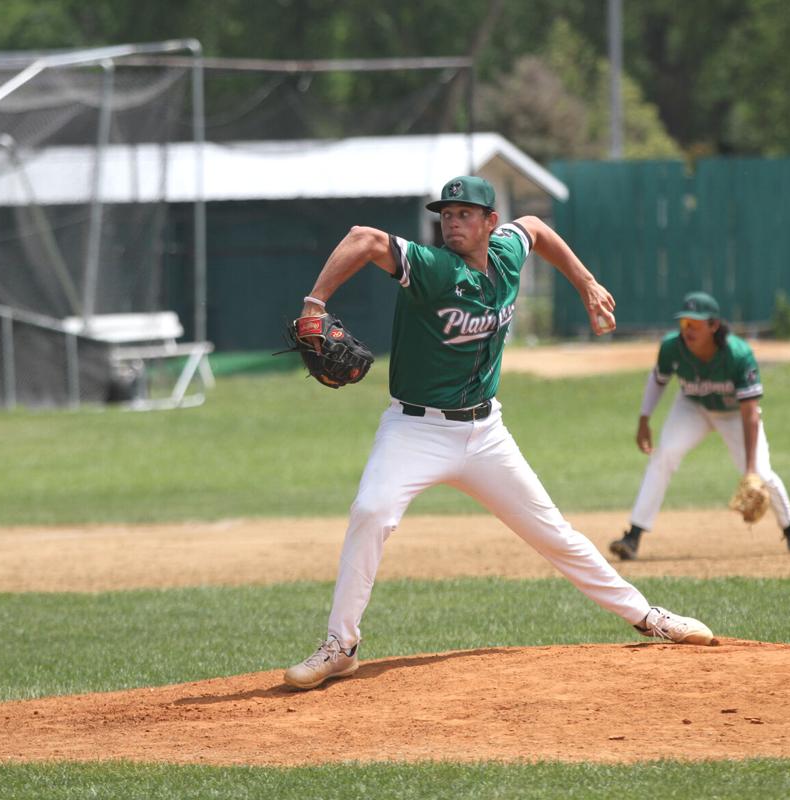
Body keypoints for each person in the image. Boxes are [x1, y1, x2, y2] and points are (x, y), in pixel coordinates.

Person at [283, 176, 716, 690]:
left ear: (491, 223)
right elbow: (363, 237)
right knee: (371, 511)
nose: (452, 222)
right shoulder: (430, 267)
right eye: (446, 214)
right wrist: (314, 306)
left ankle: (648, 617)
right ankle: (341, 645)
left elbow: (535, 226)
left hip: (486, 433)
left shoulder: (508, 253)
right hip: (414, 431)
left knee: (554, 533)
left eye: (466, 214)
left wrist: (585, 282)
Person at [608, 291, 790, 562]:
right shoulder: (672, 347)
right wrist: (644, 419)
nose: (687, 330)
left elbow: (750, 413)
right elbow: (658, 380)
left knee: (761, 472)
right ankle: (633, 536)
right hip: (692, 407)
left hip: (735, 415)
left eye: (695, 324)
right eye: (684, 323)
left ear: (713, 325)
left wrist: (749, 469)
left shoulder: (738, 355)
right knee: (664, 454)